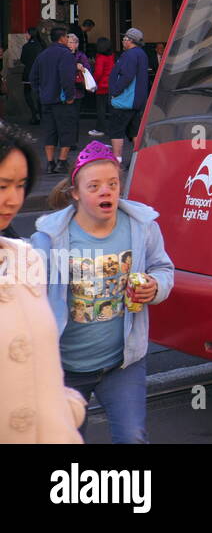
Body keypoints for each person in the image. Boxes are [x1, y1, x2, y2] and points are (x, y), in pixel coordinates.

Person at [30, 141, 174, 444]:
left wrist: (156, 286)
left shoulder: (142, 226)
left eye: (112, 183)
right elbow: (28, 297)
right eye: (93, 186)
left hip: (122, 364)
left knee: (133, 437)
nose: (105, 191)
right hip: (65, 369)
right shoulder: (49, 238)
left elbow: (164, 268)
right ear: (76, 193)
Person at [0, 123, 87, 443]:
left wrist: (65, 409)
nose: (13, 199)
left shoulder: (27, 258)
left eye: (21, 185)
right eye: (2, 185)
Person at [28, 29, 79, 174]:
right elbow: (66, 78)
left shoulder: (42, 55)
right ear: (62, 38)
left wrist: (40, 93)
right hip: (61, 100)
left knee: (49, 131)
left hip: (46, 100)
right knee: (66, 130)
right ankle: (62, 162)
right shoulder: (66, 54)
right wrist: (70, 96)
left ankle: (50, 163)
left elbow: (33, 77)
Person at [108, 28, 150, 163]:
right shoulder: (142, 54)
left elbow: (127, 76)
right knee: (135, 131)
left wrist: (115, 91)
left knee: (117, 131)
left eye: (124, 39)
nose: (123, 41)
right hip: (137, 100)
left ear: (130, 40)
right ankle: (140, 159)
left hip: (125, 100)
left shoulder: (129, 55)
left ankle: (117, 160)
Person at [67, 33, 94, 140]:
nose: (69, 44)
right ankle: (66, 140)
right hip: (65, 91)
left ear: (77, 44)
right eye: (68, 42)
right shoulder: (63, 55)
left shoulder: (81, 56)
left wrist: (82, 69)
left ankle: (73, 140)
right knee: (65, 117)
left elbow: (88, 71)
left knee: (74, 117)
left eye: (72, 42)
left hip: (77, 91)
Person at [90, 38, 115, 139]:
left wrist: (93, 81)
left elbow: (98, 73)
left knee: (101, 109)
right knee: (111, 108)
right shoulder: (112, 55)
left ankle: (100, 129)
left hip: (101, 86)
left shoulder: (100, 57)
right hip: (111, 85)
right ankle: (112, 128)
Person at [20, 28, 44, 125]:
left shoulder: (26, 46)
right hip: (40, 73)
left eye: (26, 33)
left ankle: (34, 112)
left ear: (30, 35)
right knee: (39, 94)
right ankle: (41, 114)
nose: (25, 35)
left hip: (28, 73)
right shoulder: (42, 45)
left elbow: (23, 60)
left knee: (27, 93)